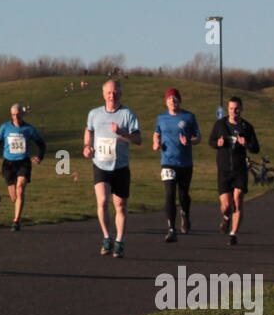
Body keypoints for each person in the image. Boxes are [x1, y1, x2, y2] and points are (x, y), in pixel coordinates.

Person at [82, 80, 141, 257]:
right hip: (100, 164)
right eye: (109, 92)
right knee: (102, 201)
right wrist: (86, 146)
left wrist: (123, 133)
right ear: (103, 94)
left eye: (115, 92)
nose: (112, 95)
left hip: (121, 166)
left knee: (120, 206)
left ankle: (119, 241)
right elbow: (88, 131)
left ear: (120, 94)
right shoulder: (94, 114)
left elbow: (138, 140)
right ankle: (107, 237)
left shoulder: (127, 114)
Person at [209, 96, 260, 245]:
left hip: (239, 170)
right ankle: (226, 218)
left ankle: (233, 233)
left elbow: (256, 148)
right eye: (231, 109)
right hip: (224, 170)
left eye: (237, 109)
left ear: (241, 109)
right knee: (225, 206)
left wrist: (246, 144)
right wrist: (218, 144)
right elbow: (211, 141)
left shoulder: (247, 127)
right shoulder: (220, 124)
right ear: (228, 109)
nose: (234, 111)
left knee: (238, 200)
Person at [153, 88, 202, 243]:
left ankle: (185, 214)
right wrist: (156, 142)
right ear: (165, 101)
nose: (172, 102)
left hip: (185, 163)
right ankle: (171, 229)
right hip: (167, 162)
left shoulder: (189, 117)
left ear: (180, 100)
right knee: (169, 194)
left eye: (175, 99)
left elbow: (198, 137)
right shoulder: (161, 118)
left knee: (183, 195)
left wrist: (189, 141)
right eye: (169, 99)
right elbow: (156, 132)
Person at [0, 103, 46, 231]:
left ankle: (16, 221)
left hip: (23, 162)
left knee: (20, 189)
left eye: (18, 114)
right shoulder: (5, 127)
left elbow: (41, 144)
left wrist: (39, 156)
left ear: (23, 114)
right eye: (13, 114)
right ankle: (17, 207)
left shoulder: (29, 129)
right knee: (13, 196)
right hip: (9, 163)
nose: (16, 117)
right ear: (11, 115)